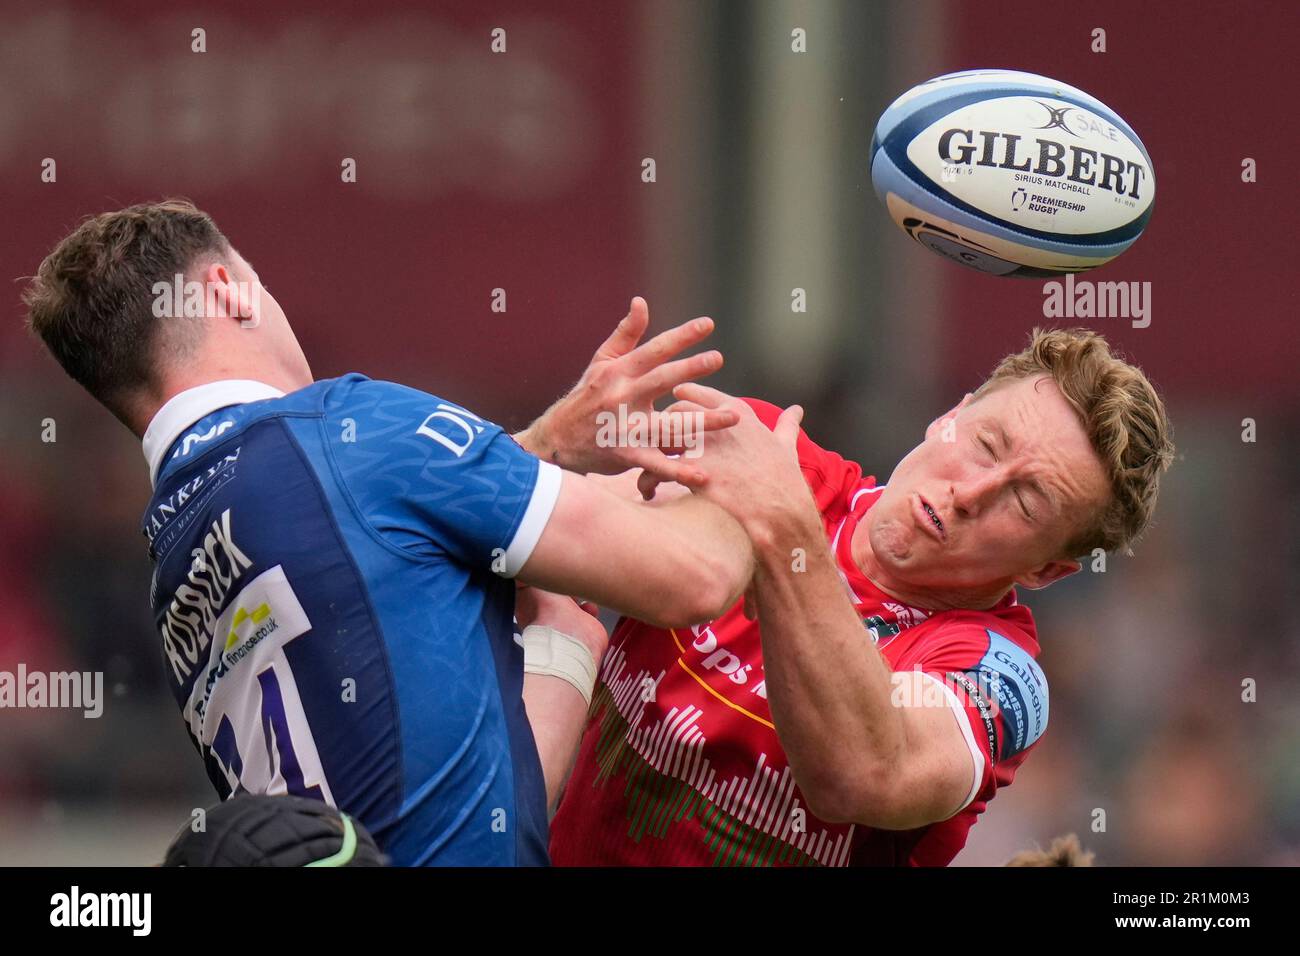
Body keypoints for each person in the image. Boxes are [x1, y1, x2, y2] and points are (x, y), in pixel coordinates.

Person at [22, 199, 754, 866]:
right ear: (224, 289)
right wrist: (759, 457)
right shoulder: (347, 427)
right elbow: (696, 577)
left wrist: (558, 592)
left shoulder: (176, 567)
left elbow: (488, 801)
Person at [548, 330, 1174, 865]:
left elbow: (861, 773)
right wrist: (553, 445)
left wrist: (782, 529)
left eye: (1027, 501)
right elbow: (537, 541)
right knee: (553, 621)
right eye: (986, 444)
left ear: (1046, 569)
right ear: (949, 416)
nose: (973, 491)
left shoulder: (1002, 677)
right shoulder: (770, 450)